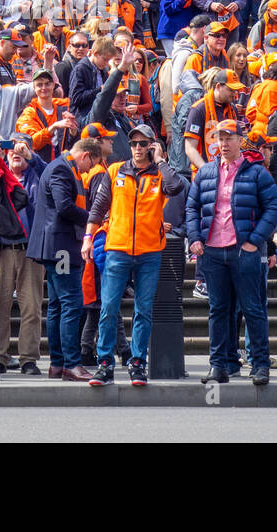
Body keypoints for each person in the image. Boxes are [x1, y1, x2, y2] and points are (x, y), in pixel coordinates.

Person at [185, 119, 277, 385]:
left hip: (243, 251)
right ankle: (218, 365)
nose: (224, 143)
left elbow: (274, 206)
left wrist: (255, 240)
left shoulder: (256, 172)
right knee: (218, 310)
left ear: (240, 141)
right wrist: (195, 238)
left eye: (229, 138)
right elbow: (192, 207)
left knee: (253, 308)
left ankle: (260, 364)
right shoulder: (206, 172)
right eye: (220, 138)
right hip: (213, 251)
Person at [85, 124, 183, 386]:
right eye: (134, 144)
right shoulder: (116, 170)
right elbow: (99, 206)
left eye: (143, 144)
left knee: (143, 311)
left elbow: (176, 187)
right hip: (117, 248)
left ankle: (137, 362)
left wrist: (160, 160)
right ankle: (105, 363)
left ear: (152, 146)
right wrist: (88, 237)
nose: (137, 148)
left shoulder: (160, 173)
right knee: (108, 307)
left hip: (149, 251)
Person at [29, 137, 101, 380]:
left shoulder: (60, 166)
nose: (89, 170)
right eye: (91, 164)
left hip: (57, 246)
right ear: (85, 155)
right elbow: (64, 206)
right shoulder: (62, 168)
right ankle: (71, 364)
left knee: (58, 305)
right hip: (61, 247)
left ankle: (58, 364)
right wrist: (92, 218)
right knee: (71, 303)